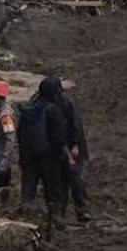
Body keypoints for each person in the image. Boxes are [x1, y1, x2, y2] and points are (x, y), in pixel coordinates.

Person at [17, 78, 71, 237]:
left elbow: (20, 135)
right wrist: (61, 157)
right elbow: (58, 137)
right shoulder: (53, 110)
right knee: (53, 193)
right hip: (49, 159)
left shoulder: (28, 109)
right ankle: (55, 226)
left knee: (28, 192)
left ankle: (23, 223)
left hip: (29, 158)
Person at [39, 76, 92, 223]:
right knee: (59, 181)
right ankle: (59, 213)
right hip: (56, 146)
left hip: (72, 145)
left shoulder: (66, 104)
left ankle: (82, 209)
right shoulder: (46, 105)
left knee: (76, 179)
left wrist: (74, 146)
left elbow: (75, 126)